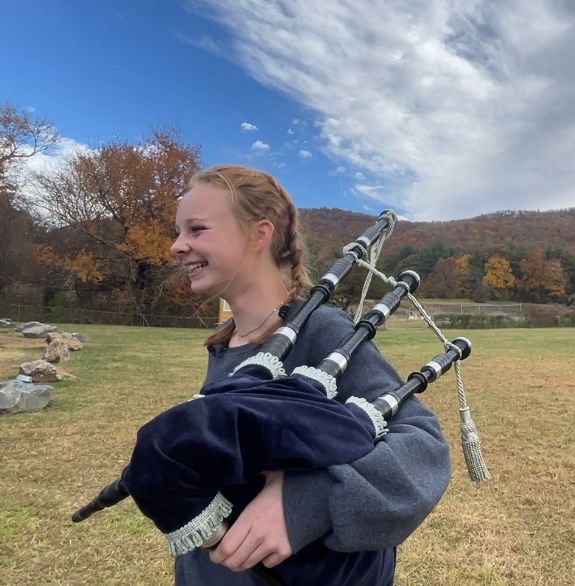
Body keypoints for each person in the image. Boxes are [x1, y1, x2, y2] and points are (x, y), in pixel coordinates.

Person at [168, 164, 451, 585]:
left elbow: (423, 448)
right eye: (179, 232)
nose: (177, 246)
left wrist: (306, 503)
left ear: (258, 234)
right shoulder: (226, 345)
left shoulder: (322, 331)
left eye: (196, 230)